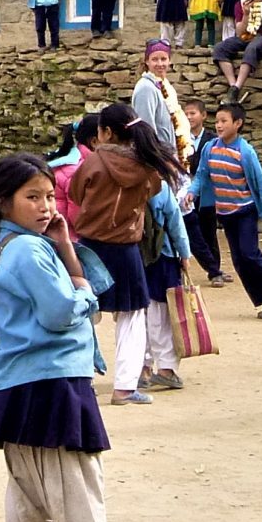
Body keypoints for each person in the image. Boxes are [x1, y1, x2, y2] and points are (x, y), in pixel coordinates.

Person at [0, 152, 143, 522]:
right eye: (32, 197)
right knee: (76, 477)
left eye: (50, 196)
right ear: (4, 202)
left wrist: (66, 247)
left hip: (18, 381)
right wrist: (85, 293)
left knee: (30, 482)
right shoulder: (31, 251)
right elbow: (57, 313)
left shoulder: (12, 247)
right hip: (51, 378)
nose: (46, 206)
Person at [69, 100, 179, 405]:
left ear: (104, 132)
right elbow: (154, 191)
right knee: (131, 318)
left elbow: (75, 193)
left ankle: (79, 382)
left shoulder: (91, 163)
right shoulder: (147, 167)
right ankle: (125, 388)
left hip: (90, 248)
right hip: (127, 249)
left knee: (83, 314)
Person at [193, 102, 262, 318]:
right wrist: (192, 192)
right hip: (225, 214)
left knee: (250, 254)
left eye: (224, 121)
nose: (218, 125)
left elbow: (261, 185)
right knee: (239, 261)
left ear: (238, 123)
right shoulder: (210, 148)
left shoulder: (245, 152)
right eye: (216, 121)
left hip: (244, 211)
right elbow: (201, 175)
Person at [140, 178, 194, 392]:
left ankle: (141, 368)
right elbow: (175, 221)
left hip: (134, 255)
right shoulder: (159, 187)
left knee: (138, 313)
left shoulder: (121, 182)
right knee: (162, 313)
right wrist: (184, 253)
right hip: (162, 257)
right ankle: (166, 368)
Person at [129, 39, 191, 174]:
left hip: (170, 157)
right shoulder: (146, 88)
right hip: (160, 162)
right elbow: (146, 130)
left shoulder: (165, 85)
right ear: (147, 61)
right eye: (155, 59)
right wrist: (160, 161)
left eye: (164, 59)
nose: (160, 64)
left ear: (170, 61)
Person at [179, 100, 224, 285]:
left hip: (206, 194)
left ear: (204, 115)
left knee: (209, 230)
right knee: (192, 230)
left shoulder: (213, 139)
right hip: (185, 192)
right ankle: (213, 270)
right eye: (186, 114)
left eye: (193, 113)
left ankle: (216, 267)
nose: (189, 117)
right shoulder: (180, 138)